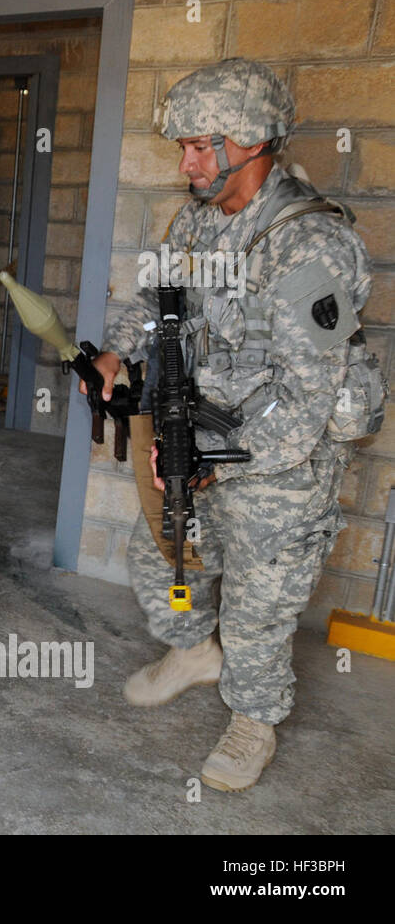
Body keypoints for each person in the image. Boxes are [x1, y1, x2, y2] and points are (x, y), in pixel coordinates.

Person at [91, 58, 380, 792]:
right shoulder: (194, 217)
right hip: (195, 433)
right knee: (161, 556)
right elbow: (161, 294)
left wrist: (217, 456)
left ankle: (254, 718)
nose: (186, 161)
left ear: (251, 143)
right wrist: (118, 351)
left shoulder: (309, 245)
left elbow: (309, 396)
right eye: (183, 145)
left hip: (278, 466)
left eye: (200, 145)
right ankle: (193, 649)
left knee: (258, 606)